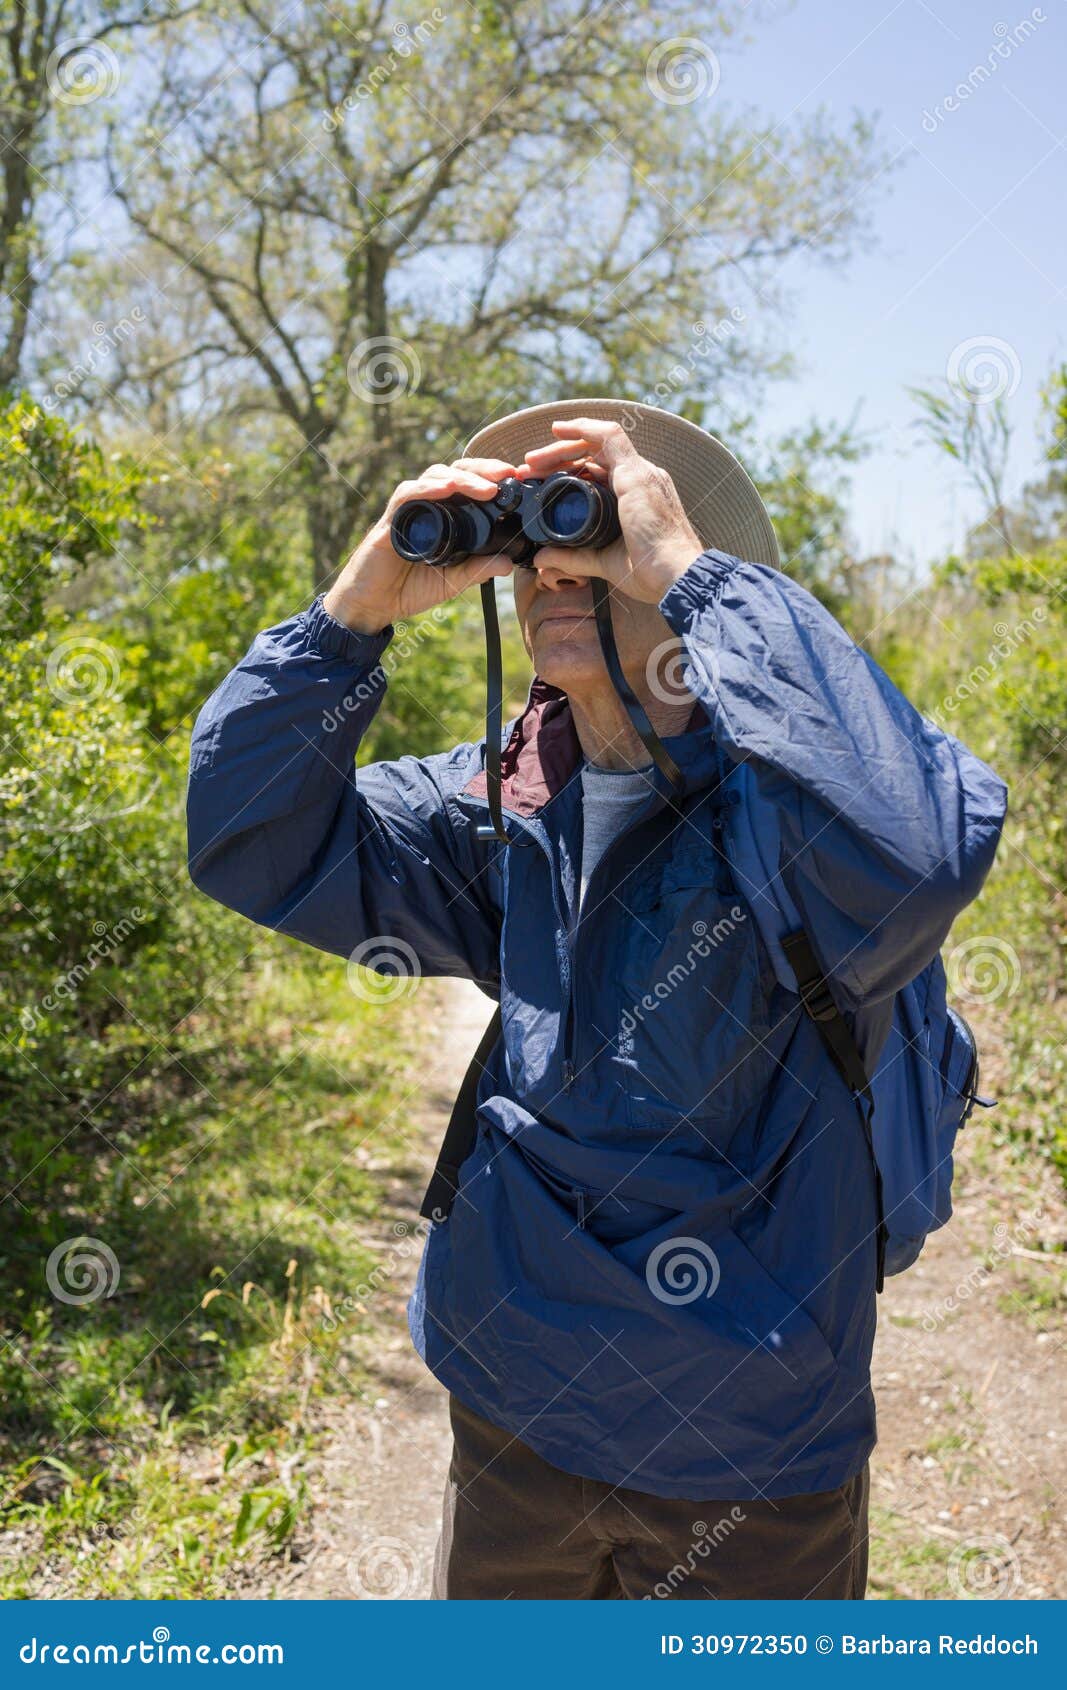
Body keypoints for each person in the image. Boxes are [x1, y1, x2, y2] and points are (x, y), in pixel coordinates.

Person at [186, 400, 1006, 1599]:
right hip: (518, 1409)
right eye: (531, 543)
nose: (553, 568)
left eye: (597, 529)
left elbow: (915, 855)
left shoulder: (791, 808)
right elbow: (250, 835)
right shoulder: (499, 797)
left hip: (752, 1446)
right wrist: (351, 614)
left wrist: (684, 574)